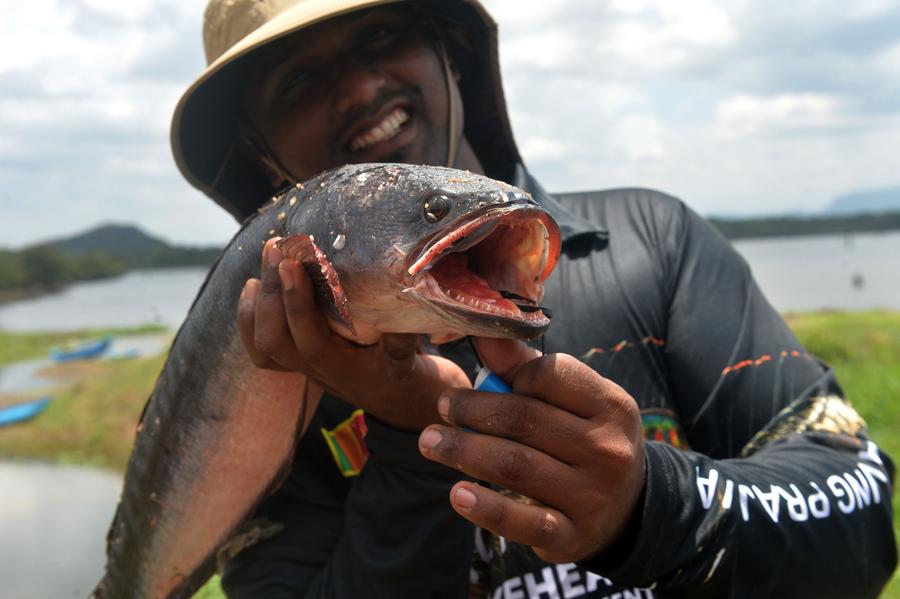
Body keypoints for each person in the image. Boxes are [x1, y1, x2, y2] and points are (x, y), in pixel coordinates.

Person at [170, 0, 897, 597]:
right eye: (297, 80)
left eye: (382, 36)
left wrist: (650, 504)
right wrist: (409, 444)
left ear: (451, 53)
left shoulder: (652, 244)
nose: (359, 90)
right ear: (260, 149)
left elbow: (858, 506)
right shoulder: (258, 373)